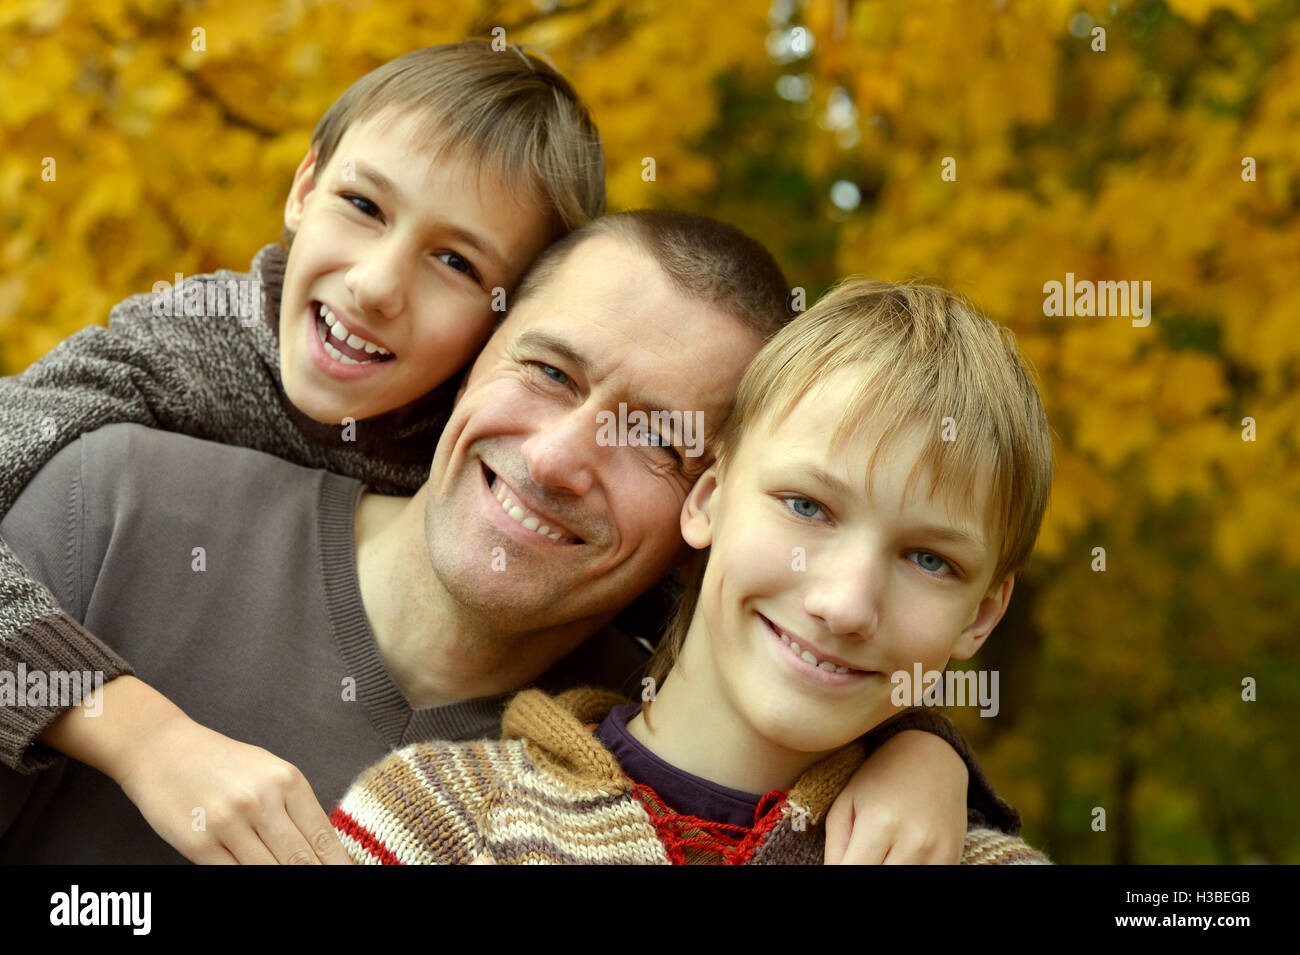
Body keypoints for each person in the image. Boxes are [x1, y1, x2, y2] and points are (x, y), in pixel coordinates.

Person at [0, 213, 1017, 863]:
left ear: (704, 503)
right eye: (549, 372)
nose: (564, 454)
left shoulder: (606, 750)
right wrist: (140, 734)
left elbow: (836, 627)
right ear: (471, 353)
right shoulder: (122, 496)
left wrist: (921, 750)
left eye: (654, 438)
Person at [332, 277, 1055, 865]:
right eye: (807, 505)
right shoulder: (437, 822)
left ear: (984, 614)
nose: (845, 603)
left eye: (930, 559)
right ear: (708, 498)